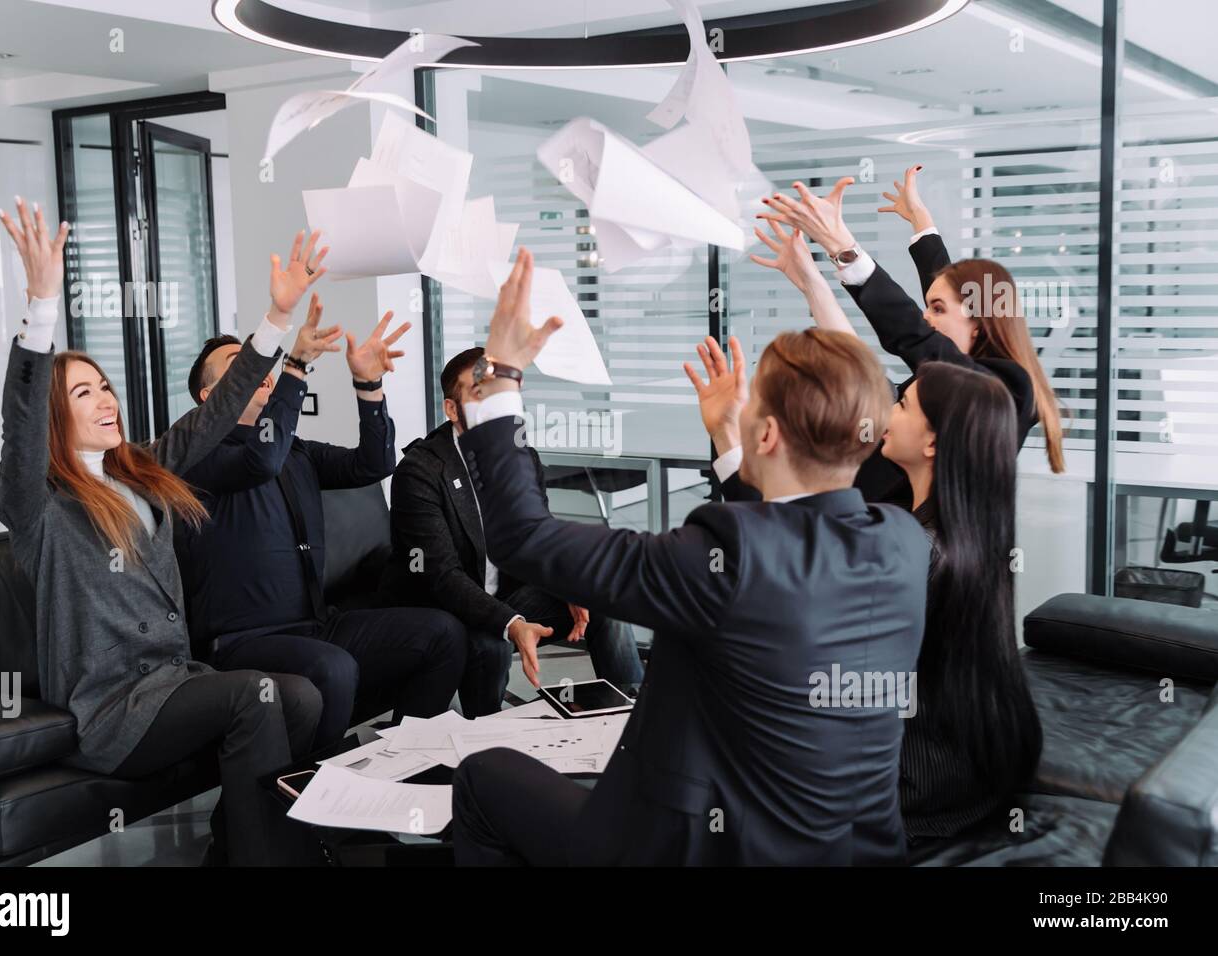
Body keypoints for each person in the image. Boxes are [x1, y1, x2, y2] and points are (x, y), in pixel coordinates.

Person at [449, 249, 929, 866]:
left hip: (693, 851)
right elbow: (787, 539)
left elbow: (524, 537)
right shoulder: (900, 541)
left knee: (483, 778)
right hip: (846, 850)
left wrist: (503, 379)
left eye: (756, 401)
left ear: (770, 434)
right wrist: (732, 443)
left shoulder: (723, 556)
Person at [0, 199, 322, 866]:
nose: (107, 399)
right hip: (114, 709)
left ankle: (239, 844)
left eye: (106, 386)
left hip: (175, 682)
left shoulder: (140, 468)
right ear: (56, 418)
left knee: (302, 696)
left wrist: (278, 319)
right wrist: (40, 307)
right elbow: (20, 424)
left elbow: (219, 412)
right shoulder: (39, 505)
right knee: (256, 695)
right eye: (83, 394)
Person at [176, 291, 467, 747]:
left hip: (315, 625)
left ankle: (403, 762)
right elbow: (259, 461)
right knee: (334, 667)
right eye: (241, 366)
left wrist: (368, 388)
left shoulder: (296, 451)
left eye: (258, 365)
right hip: (241, 641)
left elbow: (373, 464)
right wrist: (295, 367)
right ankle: (310, 793)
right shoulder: (194, 456)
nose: (258, 373)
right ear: (210, 398)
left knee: (443, 633)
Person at [718, 165, 1064, 508]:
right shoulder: (943, 382)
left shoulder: (1005, 390)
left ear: (979, 322)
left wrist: (843, 247)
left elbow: (915, 335)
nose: (926, 317)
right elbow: (866, 362)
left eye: (938, 310)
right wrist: (920, 227)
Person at [379, 346, 643, 717]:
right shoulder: (420, 472)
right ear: (452, 410)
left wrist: (567, 584)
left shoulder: (522, 458)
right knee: (491, 647)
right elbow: (441, 577)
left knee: (600, 598)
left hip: (507, 593)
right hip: (444, 608)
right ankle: (486, 741)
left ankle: (636, 714)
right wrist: (511, 622)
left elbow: (538, 541)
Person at [881, 361, 1043, 840]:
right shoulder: (971, 533)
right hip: (972, 774)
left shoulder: (917, 550)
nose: (889, 411)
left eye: (903, 403)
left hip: (913, 792)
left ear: (932, 442)